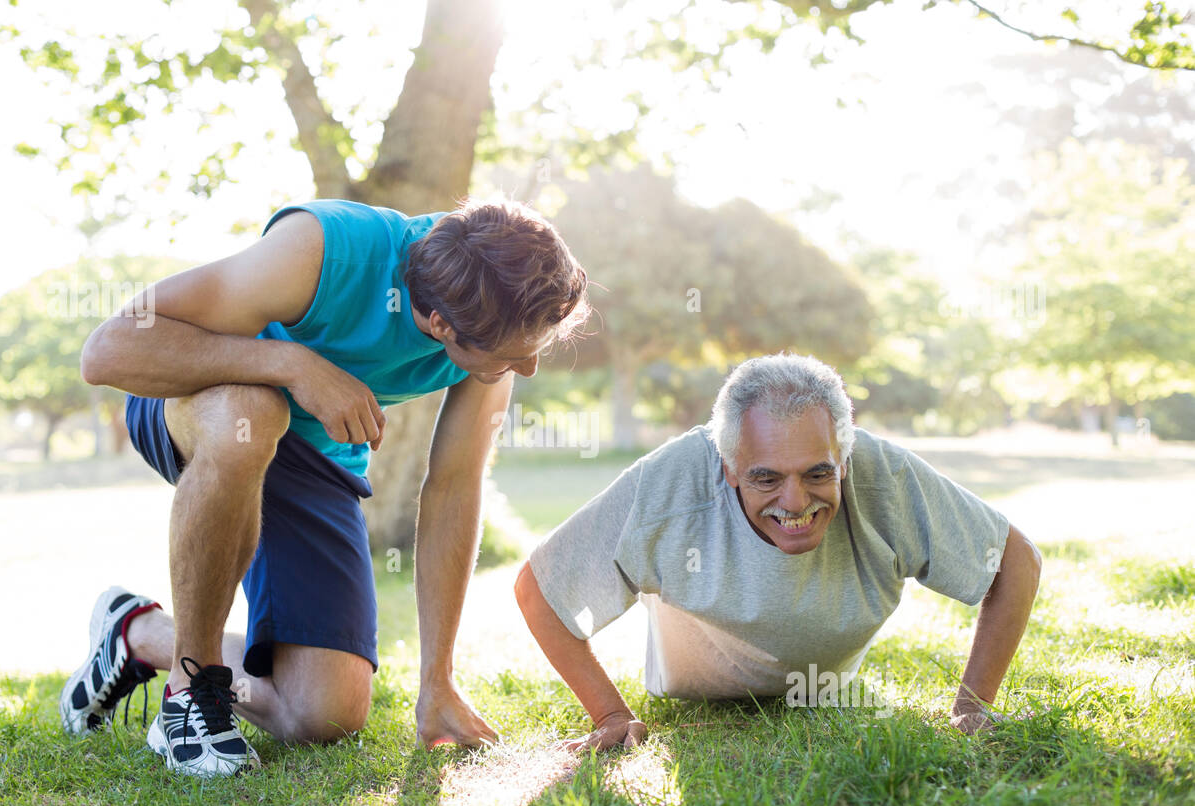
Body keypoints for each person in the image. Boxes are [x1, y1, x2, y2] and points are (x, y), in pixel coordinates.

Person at [60, 197, 589, 776]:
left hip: (314, 456)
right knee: (255, 416)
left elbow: (454, 488)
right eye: (514, 356)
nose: (529, 368)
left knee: (322, 715)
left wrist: (436, 680)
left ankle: (136, 632)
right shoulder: (323, 251)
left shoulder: (493, 312)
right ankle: (190, 693)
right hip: (198, 398)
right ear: (440, 324)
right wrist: (291, 364)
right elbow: (108, 351)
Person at [514, 353, 1042, 751]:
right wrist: (609, 714)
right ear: (727, 468)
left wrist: (972, 706)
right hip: (696, 692)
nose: (796, 503)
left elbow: (1015, 560)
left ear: (845, 456)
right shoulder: (669, 486)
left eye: (818, 473)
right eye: (765, 478)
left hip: (822, 692)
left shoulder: (885, 476)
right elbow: (540, 589)